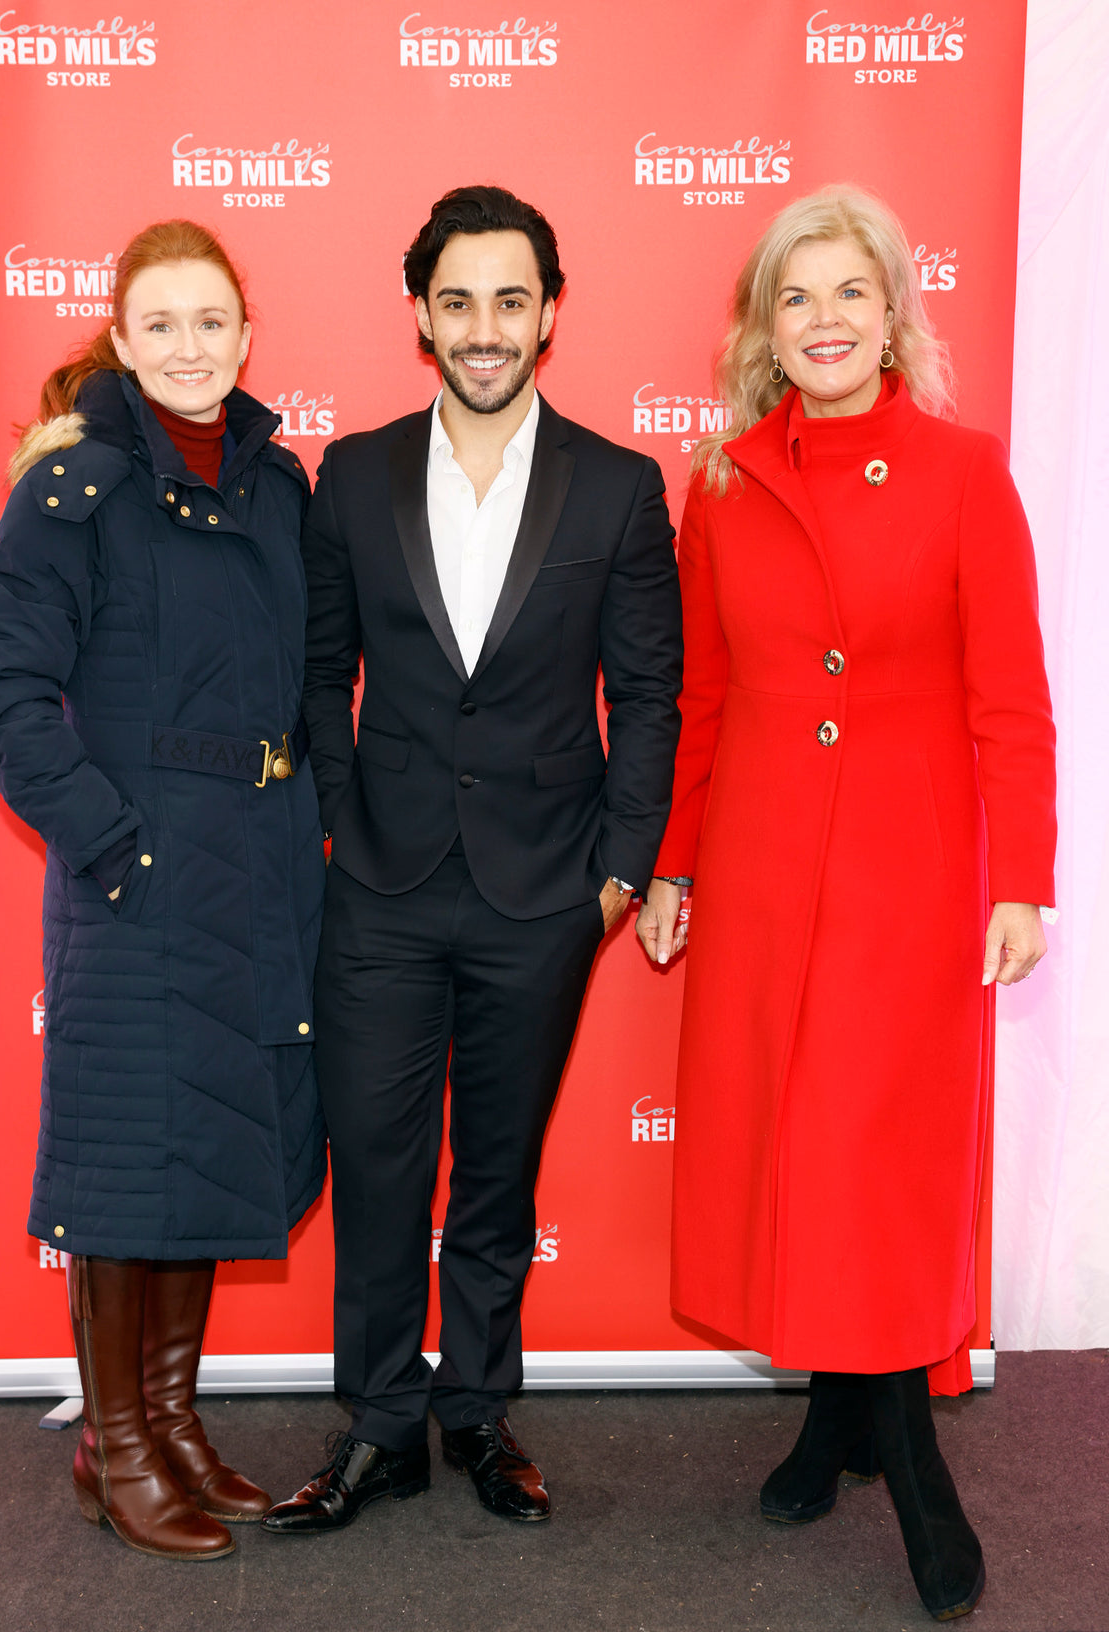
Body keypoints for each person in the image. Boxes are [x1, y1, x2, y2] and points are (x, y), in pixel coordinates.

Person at [636, 186, 1055, 1621]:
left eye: (849, 292)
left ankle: (911, 1458)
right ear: (766, 326)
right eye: (796, 296)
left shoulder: (965, 473)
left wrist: (1024, 881)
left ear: (892, 315)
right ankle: (836, 1414)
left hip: (908, 877)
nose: (823, 319)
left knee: (874, 1159)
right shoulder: (723, 483)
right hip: (762, 869)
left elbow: (1012, 700)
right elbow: (701, 698)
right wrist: (677, 864)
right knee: (793, 1149)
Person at [262, 185, 682, 1536]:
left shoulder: (619, 487)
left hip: (545, 892)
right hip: (378, 889)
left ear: (549, 314)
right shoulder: (354, 475)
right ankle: (381, 1425)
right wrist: (344, 816)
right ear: (421, 315)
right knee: (380, 1171)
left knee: (498, 1173)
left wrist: (618, 874)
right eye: (458, 301)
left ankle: (479, 1413)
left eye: (511, 299)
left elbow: (650, 695)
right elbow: (321, 672)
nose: (484, 327)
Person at [0, 220, 326, 1562]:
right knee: (128, 1164)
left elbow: (305, 681)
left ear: (246, 334)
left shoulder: (278, 484)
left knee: (208, 1150)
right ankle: (113, 1448)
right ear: (120, 338)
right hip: (140, 881)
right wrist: (111, 840)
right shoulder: (75, 489)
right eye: (159, 324)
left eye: (211, 321)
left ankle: (170, 1424)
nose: (188, 347)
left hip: (260, 871)